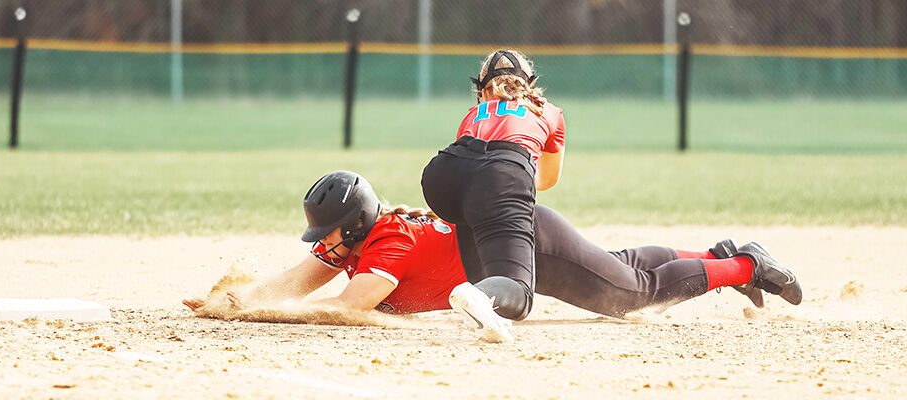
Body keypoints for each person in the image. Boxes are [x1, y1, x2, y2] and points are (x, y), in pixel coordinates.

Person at [184, 171, 803, 343]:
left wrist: (258, 317)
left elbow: (350, 306)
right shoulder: (358, 238)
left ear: (356, 226)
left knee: (630, 294)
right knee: (618, 265)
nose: (325, 247)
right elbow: (297, 280)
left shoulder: (388, 244)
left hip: (526, 243)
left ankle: (745, 264)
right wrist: (233, 303)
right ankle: (719, 253)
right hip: (509, 242)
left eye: (332, 235)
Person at [420, 49, 565, 340]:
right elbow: (546, 180)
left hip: (441, 176)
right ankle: (480, 295)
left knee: (483, 267)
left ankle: (480, 298)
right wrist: (507, 192)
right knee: (520, 296)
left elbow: (469, 166)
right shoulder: (548, 111)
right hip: (500, 176)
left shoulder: (474, 113)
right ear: (529, 83)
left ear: (481, 89)